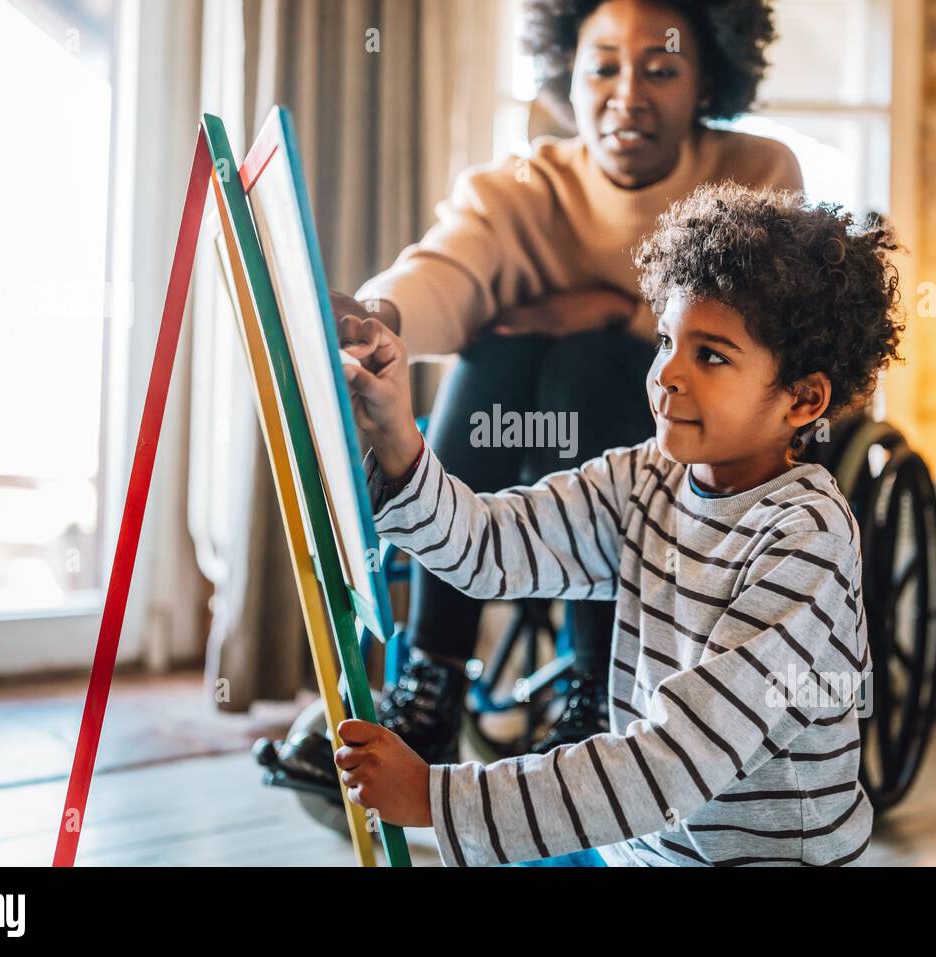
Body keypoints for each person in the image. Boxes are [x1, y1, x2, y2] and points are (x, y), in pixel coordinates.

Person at [297, 0, 804, 790]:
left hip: (674, 444)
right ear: (568, 71)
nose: (627, 92)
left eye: (661, 69)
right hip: (524, 433)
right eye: (602, 66)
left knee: (592, 360)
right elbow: (451, 268)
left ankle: (596, 687)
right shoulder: (524, 185)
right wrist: (377, 317)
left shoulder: (757, 174)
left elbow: (753, 320)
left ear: (709, 81)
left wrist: (614, 313)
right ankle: (433, 678)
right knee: (494, 352)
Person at [331, 183, 903, 866]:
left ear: (804, 399)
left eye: (711, 355)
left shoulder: (807, 537)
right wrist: (396, 437)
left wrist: (435, 795)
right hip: (642, 844)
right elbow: (488, 547)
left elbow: (677, 761)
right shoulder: (642, 478)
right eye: (667, 340)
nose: (667, 376)